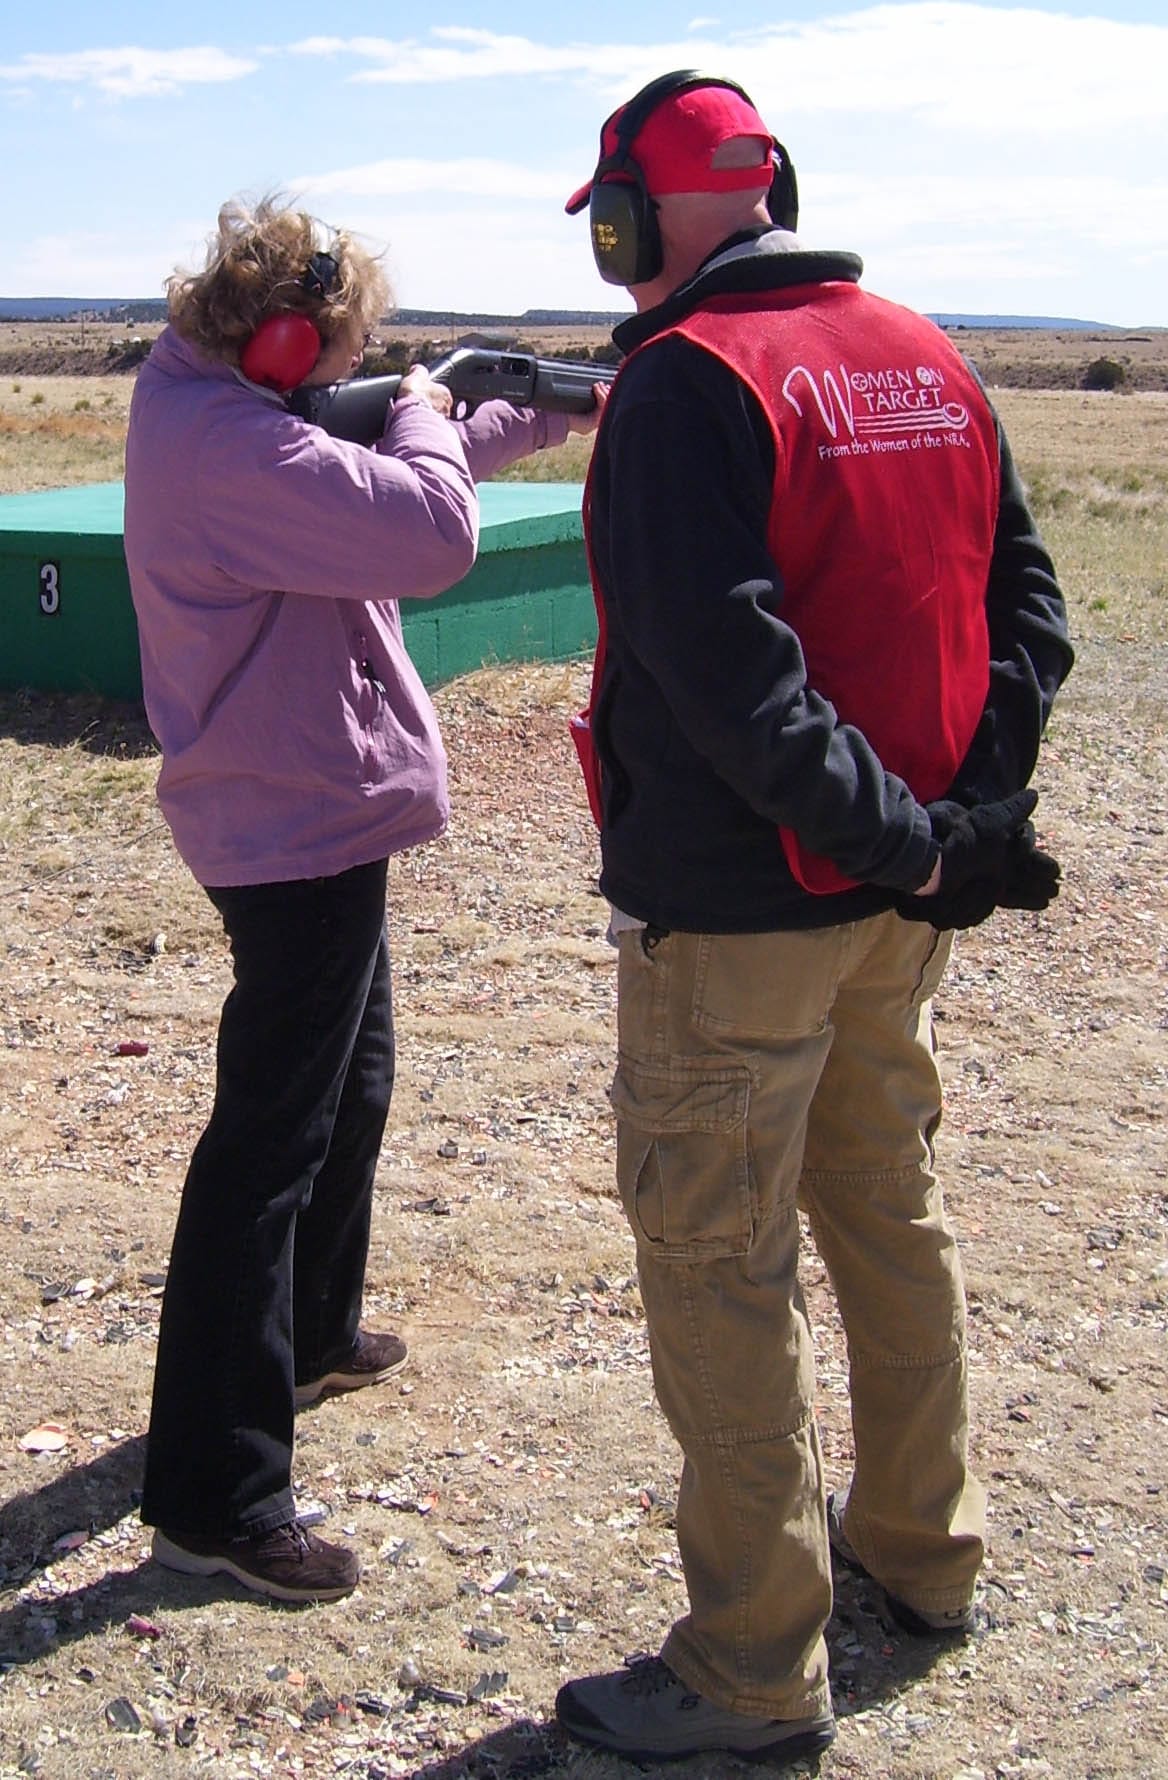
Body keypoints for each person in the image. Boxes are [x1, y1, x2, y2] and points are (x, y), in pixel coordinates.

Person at [557, 72, 1073, 1763]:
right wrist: (961, 826)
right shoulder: (925, 348)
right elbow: (1032, 610)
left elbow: (733, 683)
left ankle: (750, 1667)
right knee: (887, 1214)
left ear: (648, 208)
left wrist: (918, 844)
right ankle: (925, 1553)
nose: (610, 246)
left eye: (611, 212)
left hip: (749, 913)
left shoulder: (685, 381)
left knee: (722, 1267)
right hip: (893, 903)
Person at [123, 196, 601, 1604]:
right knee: (266, 1146)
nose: (347, 368)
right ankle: (216, 1494)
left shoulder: (233, 405)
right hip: (291, 820)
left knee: (353, 1088)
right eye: (336, 347)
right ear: (281, 340)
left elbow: (403, 455)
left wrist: (522, 409)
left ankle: (316, 1329)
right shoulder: (230, 445)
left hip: (315, 804)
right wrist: (444, 418)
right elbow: (426, 529)